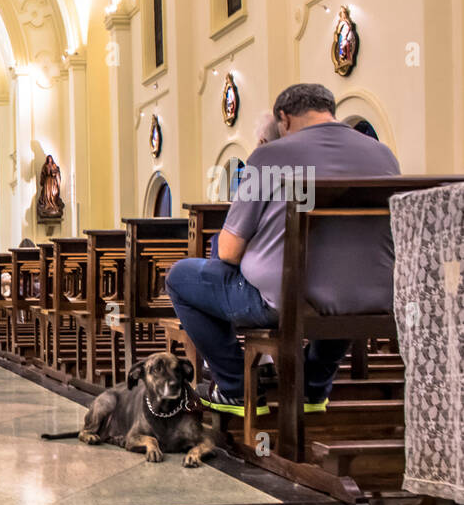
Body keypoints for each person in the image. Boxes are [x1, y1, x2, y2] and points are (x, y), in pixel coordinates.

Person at [164, 82, 401, 417]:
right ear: (329, 110)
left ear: (284, 119)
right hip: (370, 298)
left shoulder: (270, 156)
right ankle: (312, 387)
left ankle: (237, 388)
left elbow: (230, 251)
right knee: (341, 287)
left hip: (285, 300)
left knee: (180, 276)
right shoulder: (382, 154)